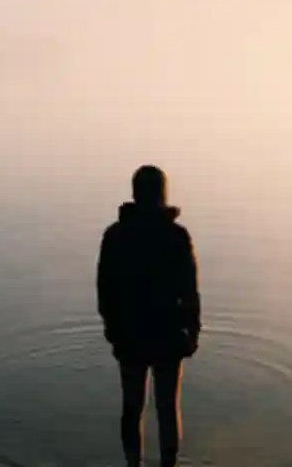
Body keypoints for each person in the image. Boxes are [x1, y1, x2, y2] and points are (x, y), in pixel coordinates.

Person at [97, 165, 201, 467]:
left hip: (129, 334)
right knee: (167, 408)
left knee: (132, 407)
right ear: (163, 194)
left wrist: (111, 327)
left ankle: (132, 464)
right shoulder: (176, 235)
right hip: (168, 334)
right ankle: (168, 463)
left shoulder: (115, 235)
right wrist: (193, 330)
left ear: (134, 193)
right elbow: (190, 289)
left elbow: (105, 289)